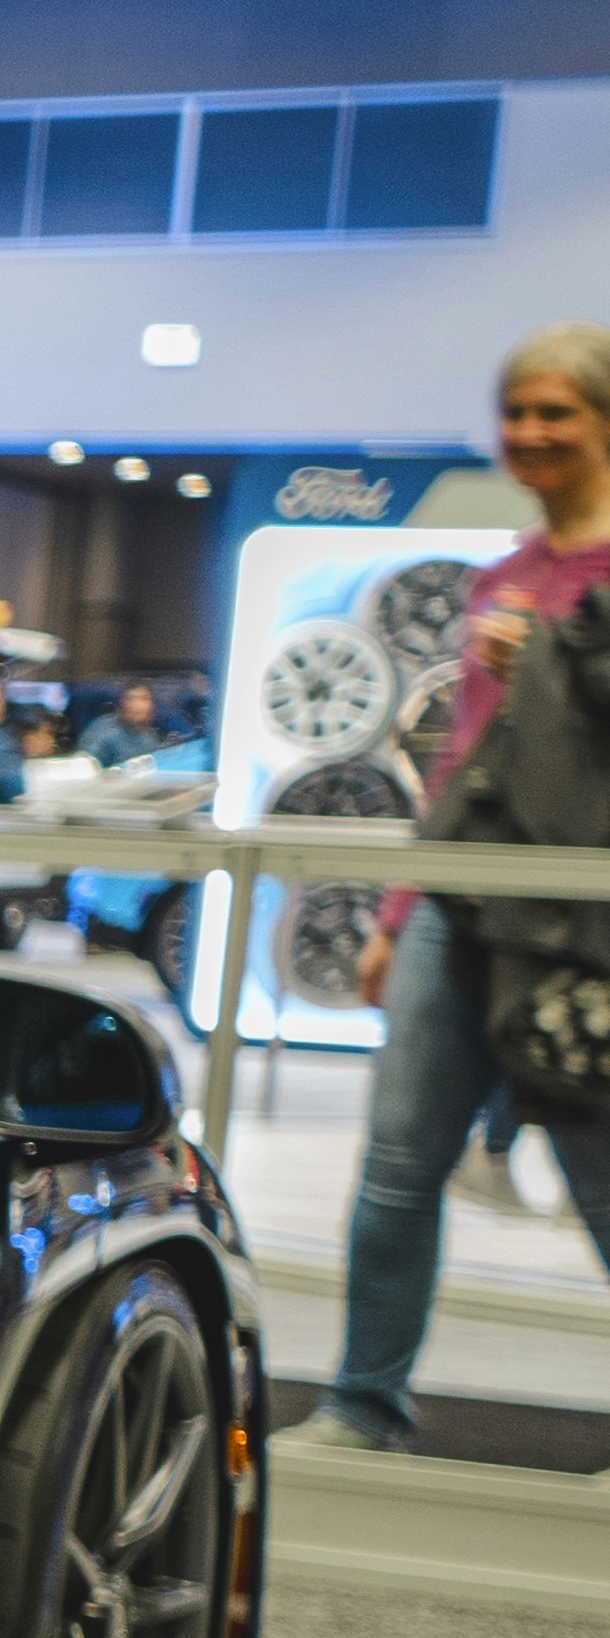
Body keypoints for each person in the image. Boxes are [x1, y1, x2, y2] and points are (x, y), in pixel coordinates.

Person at [308, 322, 610, 1450]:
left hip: (576, 923)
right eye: (518, 412)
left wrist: (555, 665)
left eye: (556, 413)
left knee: (599, 1173)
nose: (531, 433)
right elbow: (460, 763)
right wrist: (398, 913)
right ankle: (361, 1402)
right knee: (397, 1166)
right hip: (455, 903)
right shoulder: (504, 577)